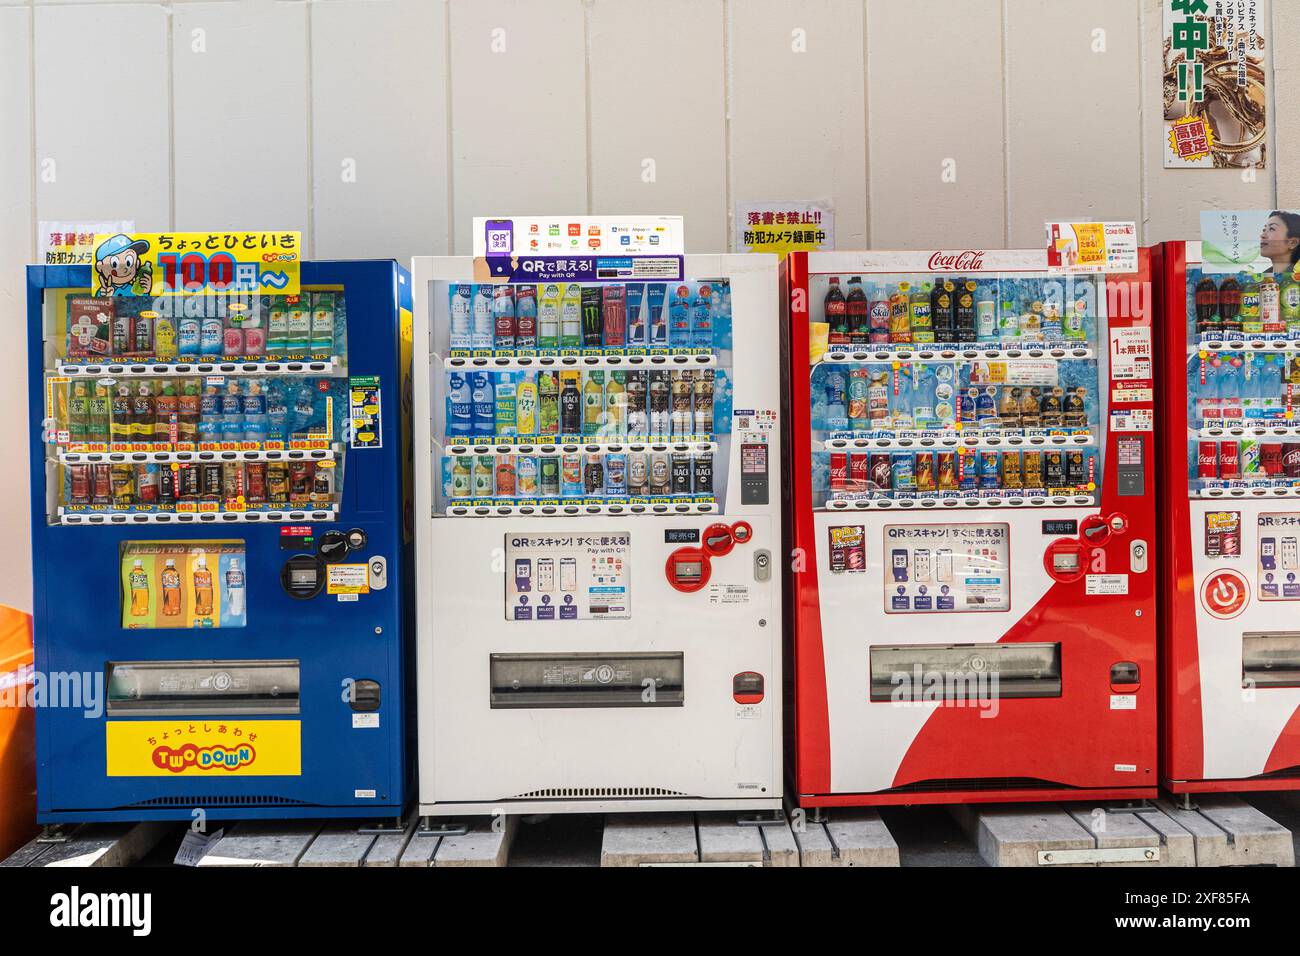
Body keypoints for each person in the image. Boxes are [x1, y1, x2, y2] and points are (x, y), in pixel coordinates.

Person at [1259, 211, 1300, 276]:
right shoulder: (1258, 280)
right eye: (1264, 230)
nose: (1262, 235)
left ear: (1293, 243)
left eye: (1271, 229)